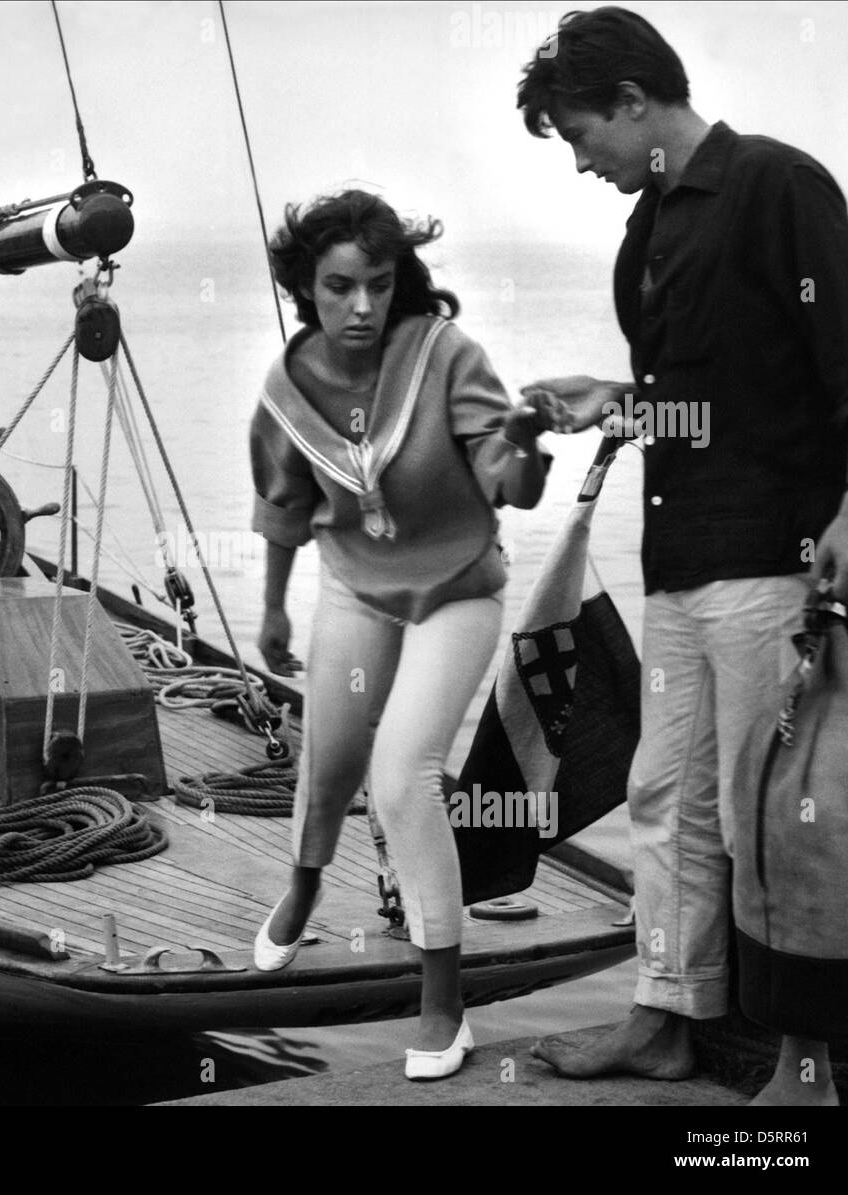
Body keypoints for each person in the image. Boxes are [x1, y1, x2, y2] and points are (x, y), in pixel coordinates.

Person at [515, 7, 848, 1105]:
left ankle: (806, 1068)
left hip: (773, 560)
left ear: (632, 100)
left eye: (581, 135)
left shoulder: (776, 185)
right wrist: (616, 399)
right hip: (681, 558)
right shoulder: (650, 224)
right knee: (665, 796)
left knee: (775, 814)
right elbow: (714, 397)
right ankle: (666, 1015)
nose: (581, 162)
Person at [249, 190, 560, 1079]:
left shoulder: (444, 354)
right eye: (339, 287)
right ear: (306, 287)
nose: (361, 306)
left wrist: (525, 441)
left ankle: (443, 999)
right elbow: (283, 505)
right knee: (331, 755)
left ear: (399, 282)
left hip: (457, 590)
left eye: (379, 285)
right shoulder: (287, 387)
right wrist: (273, 609)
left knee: (402, 775)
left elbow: (513, 488)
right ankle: (303, 886)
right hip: (356, 587)